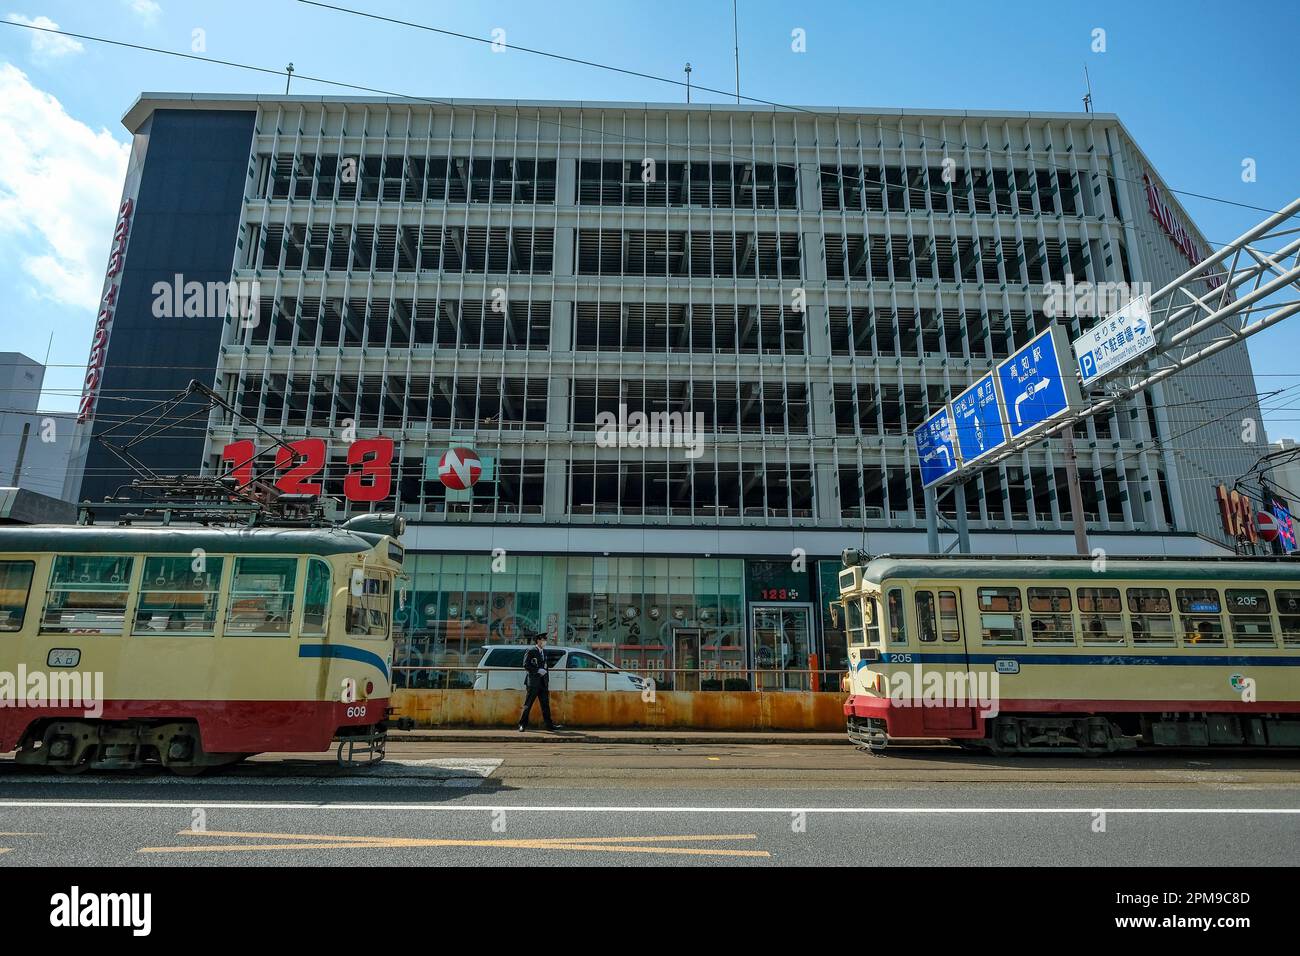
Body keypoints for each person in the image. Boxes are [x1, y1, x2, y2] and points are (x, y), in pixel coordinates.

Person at [518, 634, 561, 732]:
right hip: (533, 683)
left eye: (545, 640)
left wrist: (546, 679)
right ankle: (522, 724)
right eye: (543, 639)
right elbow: (526, 665)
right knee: (528, 704)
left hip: (543, 683)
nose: (545, 641)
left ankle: (549, 725)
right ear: (538, 640)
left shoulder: (544, 652)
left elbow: (546, 666)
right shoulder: (531, 651)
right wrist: (538, 670)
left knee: (545, 705)